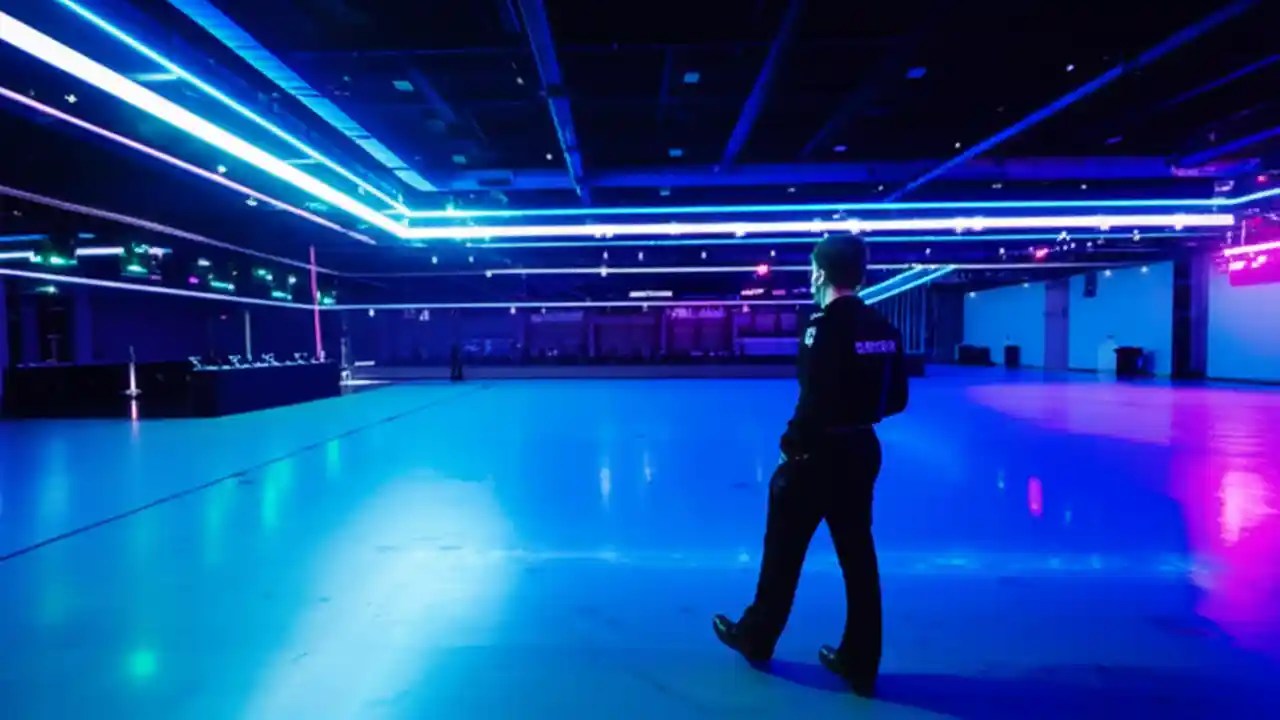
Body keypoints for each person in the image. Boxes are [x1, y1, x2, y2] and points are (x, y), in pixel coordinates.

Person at [713, 233, 909, 698]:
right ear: (859, 275)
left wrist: (790, 446)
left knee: (783, 552)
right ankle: (861, 660)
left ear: (819, 273)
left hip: (815, 455)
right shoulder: (882, 325)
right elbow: (897, 398)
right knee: (858, 557)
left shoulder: (820, 326)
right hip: (862, 449)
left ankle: (757, 636)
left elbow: (813, 397)